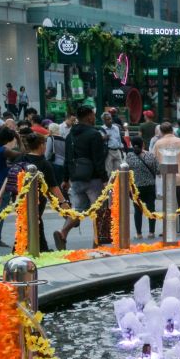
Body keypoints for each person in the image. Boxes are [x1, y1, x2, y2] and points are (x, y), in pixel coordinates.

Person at [55, 105, 107, 251]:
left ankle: (63, 232)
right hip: (93, 179)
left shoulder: (70, 135)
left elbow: (67, 158)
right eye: (93, 115)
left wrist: (65, 179)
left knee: (78, 209)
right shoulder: (94, 134)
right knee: (99, 211)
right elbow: (98, 159)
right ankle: (97, 244)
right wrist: (104, 179)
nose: (94, 118)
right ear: (89, 116)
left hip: (75, 178)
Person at [150, 121, 180, 237]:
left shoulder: (158, 144)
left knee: (168, 205)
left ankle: (168, 229)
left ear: (161, 132)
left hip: (166, 178)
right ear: (172, 130)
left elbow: (153, 161)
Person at [122, 140, 159, 240]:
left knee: (137, 210)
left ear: (132, 145)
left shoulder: (129, 156)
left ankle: (139, 234)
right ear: (143, 145)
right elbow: (157, 170)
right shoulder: (150, 156)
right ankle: (151, 232)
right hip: (150, 186)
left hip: (136, 187)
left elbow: (125, 171)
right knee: (151, 208)